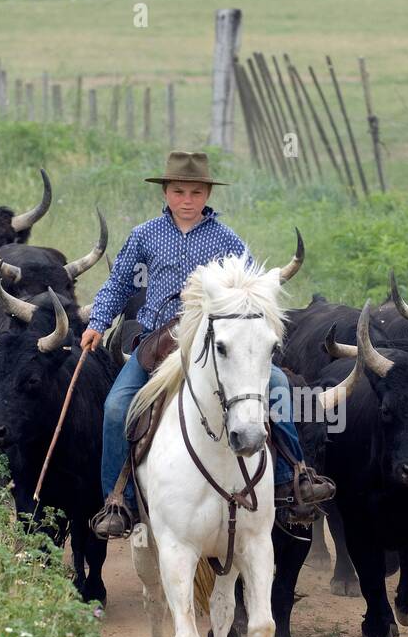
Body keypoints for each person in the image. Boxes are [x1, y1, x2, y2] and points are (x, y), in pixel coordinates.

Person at [83, 150, 335, 539]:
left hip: (221, 341)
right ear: (166, 192)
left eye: (196, 192)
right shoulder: (144, 236)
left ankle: (292, 476)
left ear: (207, 194)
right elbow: (118, 285)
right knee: (116, 406)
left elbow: (253, 293)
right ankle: (119, 500)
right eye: (179, 191)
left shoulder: (227, 239)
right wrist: (98, 323)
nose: (187, 200)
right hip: (160, 341)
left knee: (281, 386)